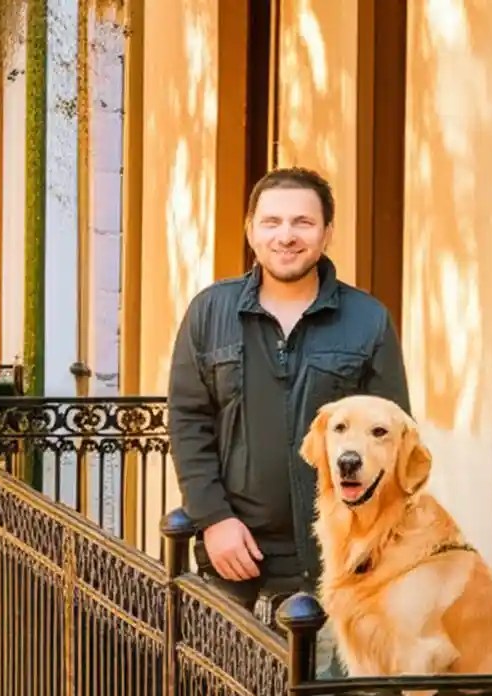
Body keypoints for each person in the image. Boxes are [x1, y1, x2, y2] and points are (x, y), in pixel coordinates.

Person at [167, 166, 412, 636]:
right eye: (272, 222)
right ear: (251, 231)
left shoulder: (367, 321)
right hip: (232, 557)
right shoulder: (210, 312)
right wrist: (213, 519)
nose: (286, 236)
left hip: (335, 565)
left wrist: (368, 547)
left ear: (327, 233)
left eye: (303, 222)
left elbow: (393, 445)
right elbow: (188, 421)